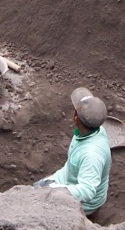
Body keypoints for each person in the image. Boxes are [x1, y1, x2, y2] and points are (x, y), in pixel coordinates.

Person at [34, 88, 112, 216]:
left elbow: (87, 191)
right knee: (33, 191)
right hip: (66, 178)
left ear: (75, 118)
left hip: (84, 203)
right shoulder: (96, 129)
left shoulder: (91, 156)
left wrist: (56, 191)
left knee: (37, 207)